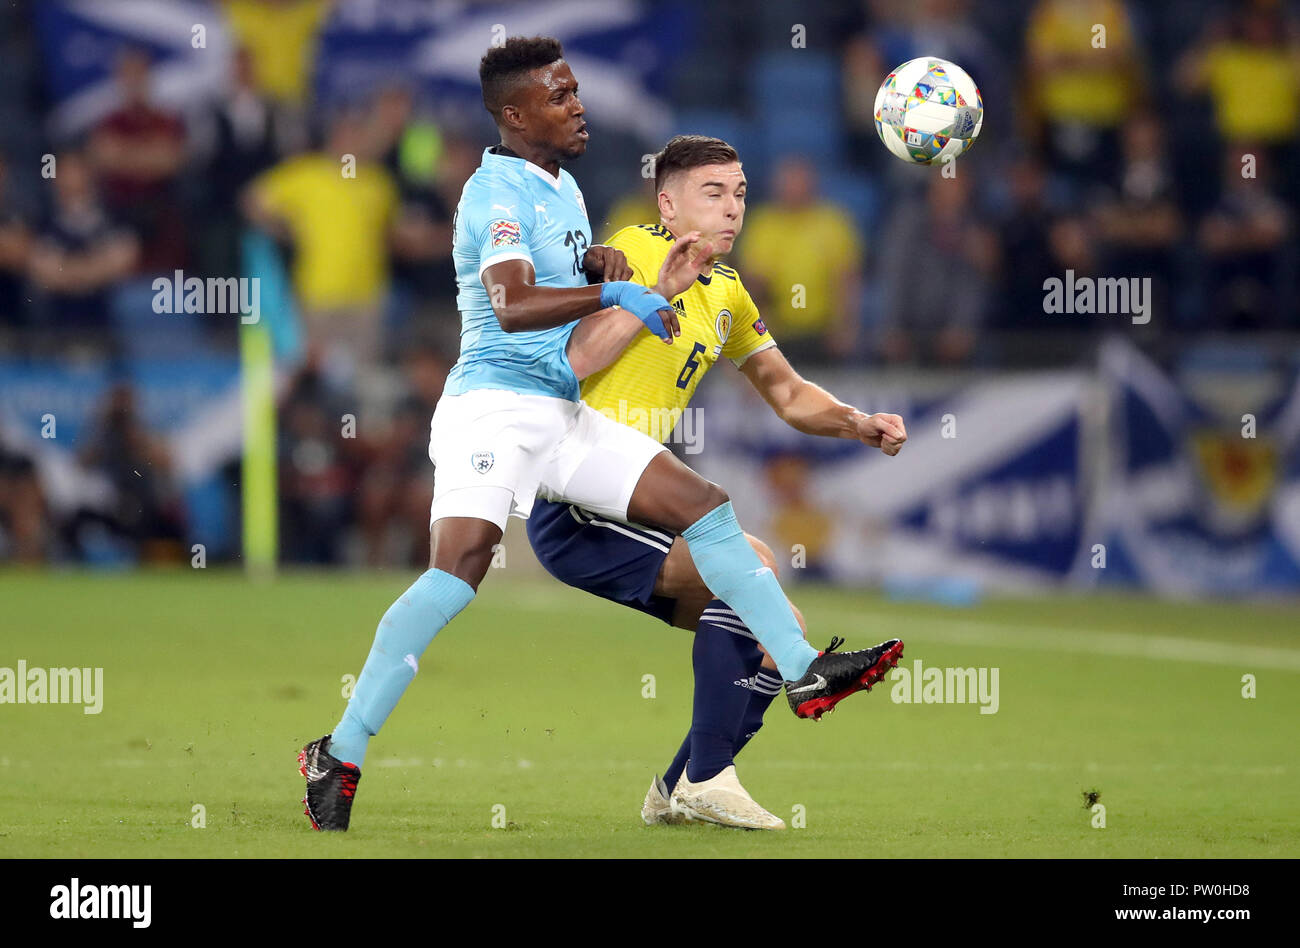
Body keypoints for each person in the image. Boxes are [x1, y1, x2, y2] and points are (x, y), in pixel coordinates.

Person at [299, 36, 901, 832]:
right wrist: (620, 293)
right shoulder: (495, 193)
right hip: (493, 404)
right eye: (559, 96)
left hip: (558, 411)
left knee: (707, 505)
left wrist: (597, 265)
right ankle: (338, 752)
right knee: (456, 574)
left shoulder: (566, 189)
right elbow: (513, 303)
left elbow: (570, 273)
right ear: (516, 115)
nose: (578, 106)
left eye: (576, 89)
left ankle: (803, 672)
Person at [528, 135, 907, 830]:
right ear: (667, 205)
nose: (732, 208)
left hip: (639, 498)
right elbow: (576, 358)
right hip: (579, 498)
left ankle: (677, 786)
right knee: (748, 567)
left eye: (739, 194)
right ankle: (711, 774)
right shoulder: (632, 252)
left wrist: (857, 422)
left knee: (771, 622)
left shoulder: (727, 291)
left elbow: (787, 392)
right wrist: (652, 293)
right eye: (713, 193)